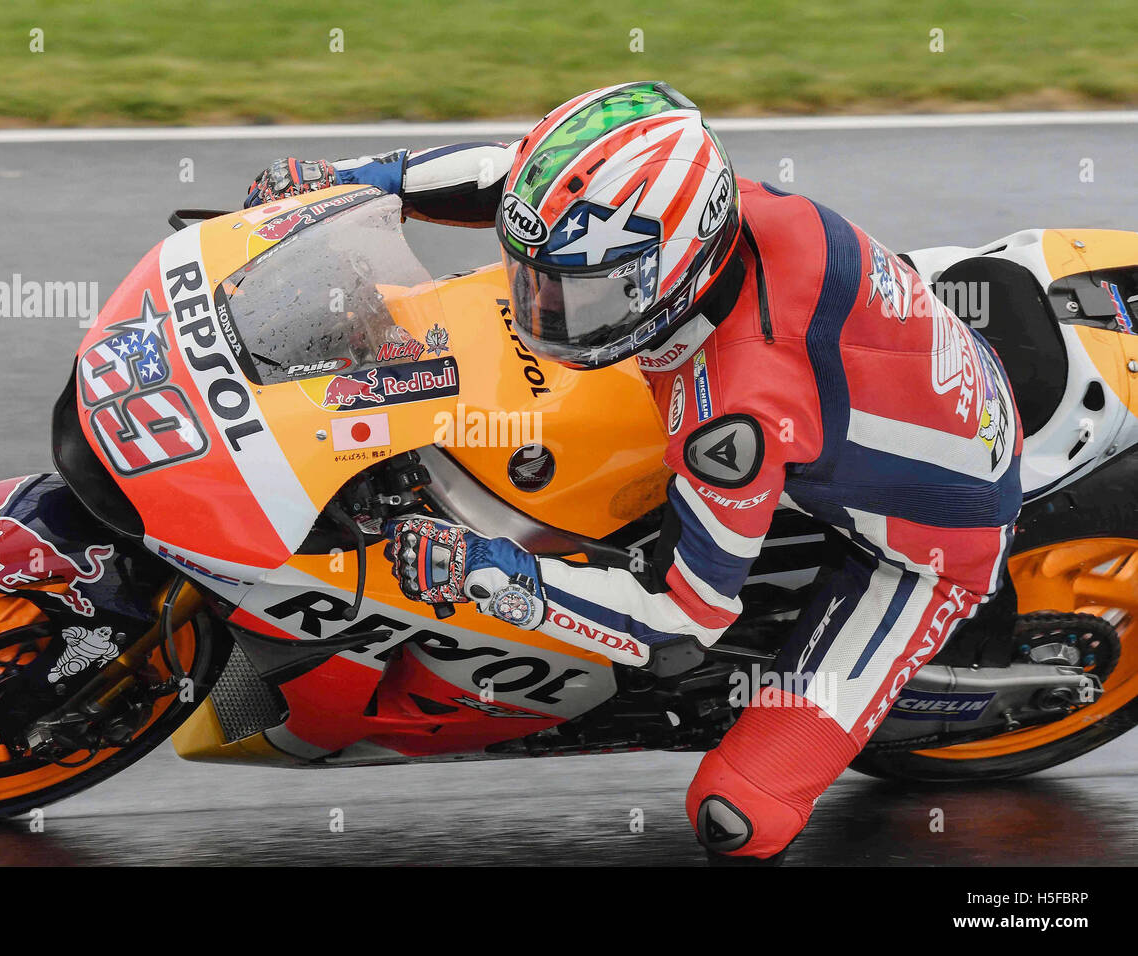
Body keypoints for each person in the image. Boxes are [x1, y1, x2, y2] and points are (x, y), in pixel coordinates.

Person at [244, 81, 1023, 862]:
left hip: (925, 546)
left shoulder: (736, 418)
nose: (540, 305)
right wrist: (355, 180)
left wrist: (496, 573)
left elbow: (684, 619)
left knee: (739, 818)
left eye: (577, 293)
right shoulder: (691, 206)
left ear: (672, 272)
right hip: (873, 368)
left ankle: (878, 685)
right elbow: (509, 175)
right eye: (537, 276)